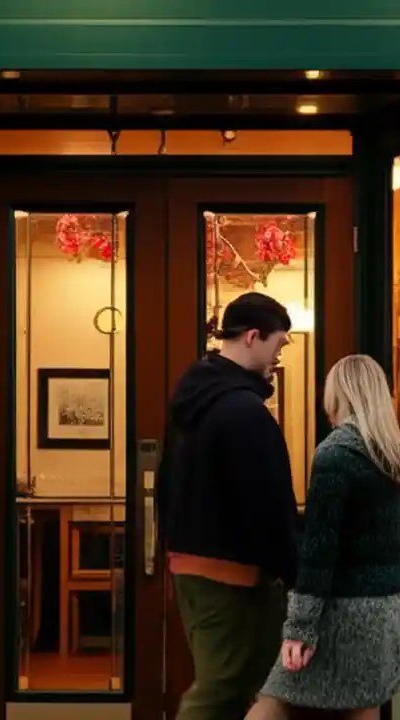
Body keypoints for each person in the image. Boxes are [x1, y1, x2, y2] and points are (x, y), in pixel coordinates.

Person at [158, 292, 300, 720]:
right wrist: (293, 569)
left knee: (233, 685)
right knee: (224, 687)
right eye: (278, 343)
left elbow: (168, 481)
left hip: (193, 565)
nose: (279, 355)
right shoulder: (243, 412)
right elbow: (267, 504)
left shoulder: (194, 400)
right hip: (232, 573)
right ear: (253, 337)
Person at [247, 354, 400, 720]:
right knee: (364, 704)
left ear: (337, 395)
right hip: (383, 609)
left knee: (276, 699)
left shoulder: (334, 455)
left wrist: (300, 627)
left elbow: (320, 550)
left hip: (342, 612)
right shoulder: (390, 454)